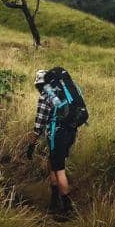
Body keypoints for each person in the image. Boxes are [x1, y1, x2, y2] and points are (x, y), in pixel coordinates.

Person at [27, 69, 79, 218]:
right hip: (70, 132)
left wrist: (32, 145)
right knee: (52, 162)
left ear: (40, 85)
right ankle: (55, 200)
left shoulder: (45, 96)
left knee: (59, 168)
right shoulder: (62, 91)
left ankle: (67, 208)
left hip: (57, 135)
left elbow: (39, 125)